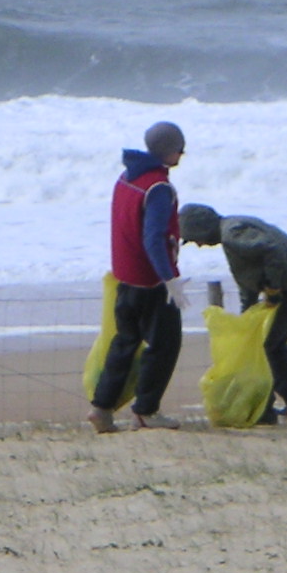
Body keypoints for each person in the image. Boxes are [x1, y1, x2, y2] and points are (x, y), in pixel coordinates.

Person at [89, 121, 191, 432]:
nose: (183, 154)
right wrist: (169, 280)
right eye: (180, 148)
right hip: (151, 282)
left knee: (124, 342)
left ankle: (101, 407)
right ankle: (146, 411)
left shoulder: (126, 177)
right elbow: (154, 239)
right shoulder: (158, 188)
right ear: (169, 151)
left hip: (125, 276)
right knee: (164, 345)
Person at [180, 203, 287, 423]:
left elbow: (272, 249)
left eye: (195, 238)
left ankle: (285, 407)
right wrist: (247, 316)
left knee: (271, 346)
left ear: (202, 228)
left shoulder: (233, 234)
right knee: (266, 345)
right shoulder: (231, 233)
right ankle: (284, 406)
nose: (198, 244)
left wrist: (273, 288)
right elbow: (248, 279)